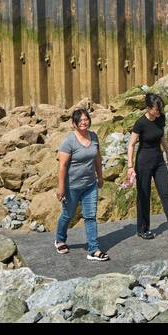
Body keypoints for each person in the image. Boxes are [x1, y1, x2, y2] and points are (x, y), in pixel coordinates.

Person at [126, 93, 168, 242]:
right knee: (144, 194)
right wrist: (130, 166)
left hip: (158, 161)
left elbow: (162, 136)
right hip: (143, 162)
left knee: (166, 192)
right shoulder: (140, 123)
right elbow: (131, 144)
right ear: (149, 108)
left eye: (160, 108)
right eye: (156, 109)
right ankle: (143, 228)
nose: (159, 112)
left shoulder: (160, 118)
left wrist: (167, 153)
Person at [55, 108, 110, 261]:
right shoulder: (69, 141)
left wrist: (100, 176)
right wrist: (61, 188)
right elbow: (63, 166)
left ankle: (93, 249)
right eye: (80, 121)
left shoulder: (94, 137)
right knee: (68, 214)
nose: (83, 122)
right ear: (74, 124)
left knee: (90, 216)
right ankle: (60, 239)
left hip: (90, 184)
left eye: (86, 119)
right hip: (71, 186)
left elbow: (97, 158)